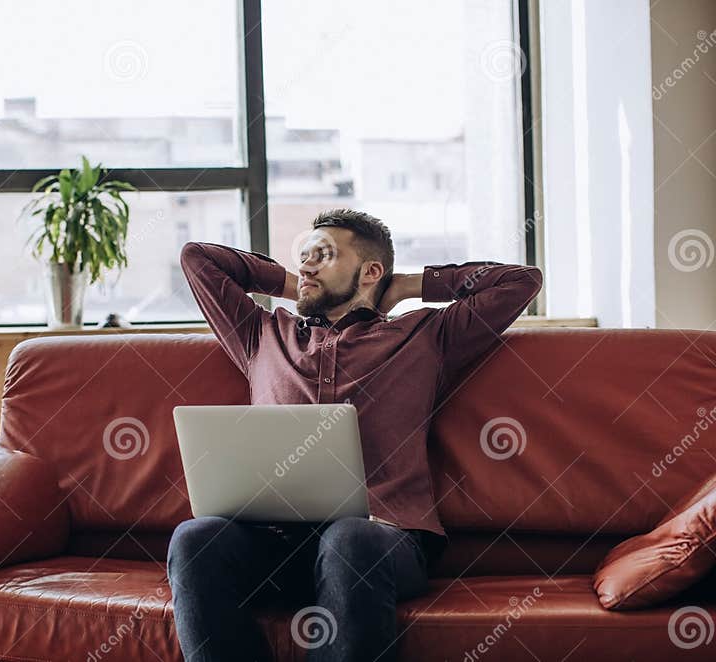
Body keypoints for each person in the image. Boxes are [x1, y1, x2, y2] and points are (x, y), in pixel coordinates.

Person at [166, 208, 543, 662]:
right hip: (272, 544)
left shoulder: (427, 336)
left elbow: (519, 281)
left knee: (349, 538)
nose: (307, 264)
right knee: (194, 538)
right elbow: (197, 258)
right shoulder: (261, 334)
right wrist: (299, 285)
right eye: (304, 256)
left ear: (370, 271)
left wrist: (405, 285)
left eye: (322, 256)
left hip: (377, 543)